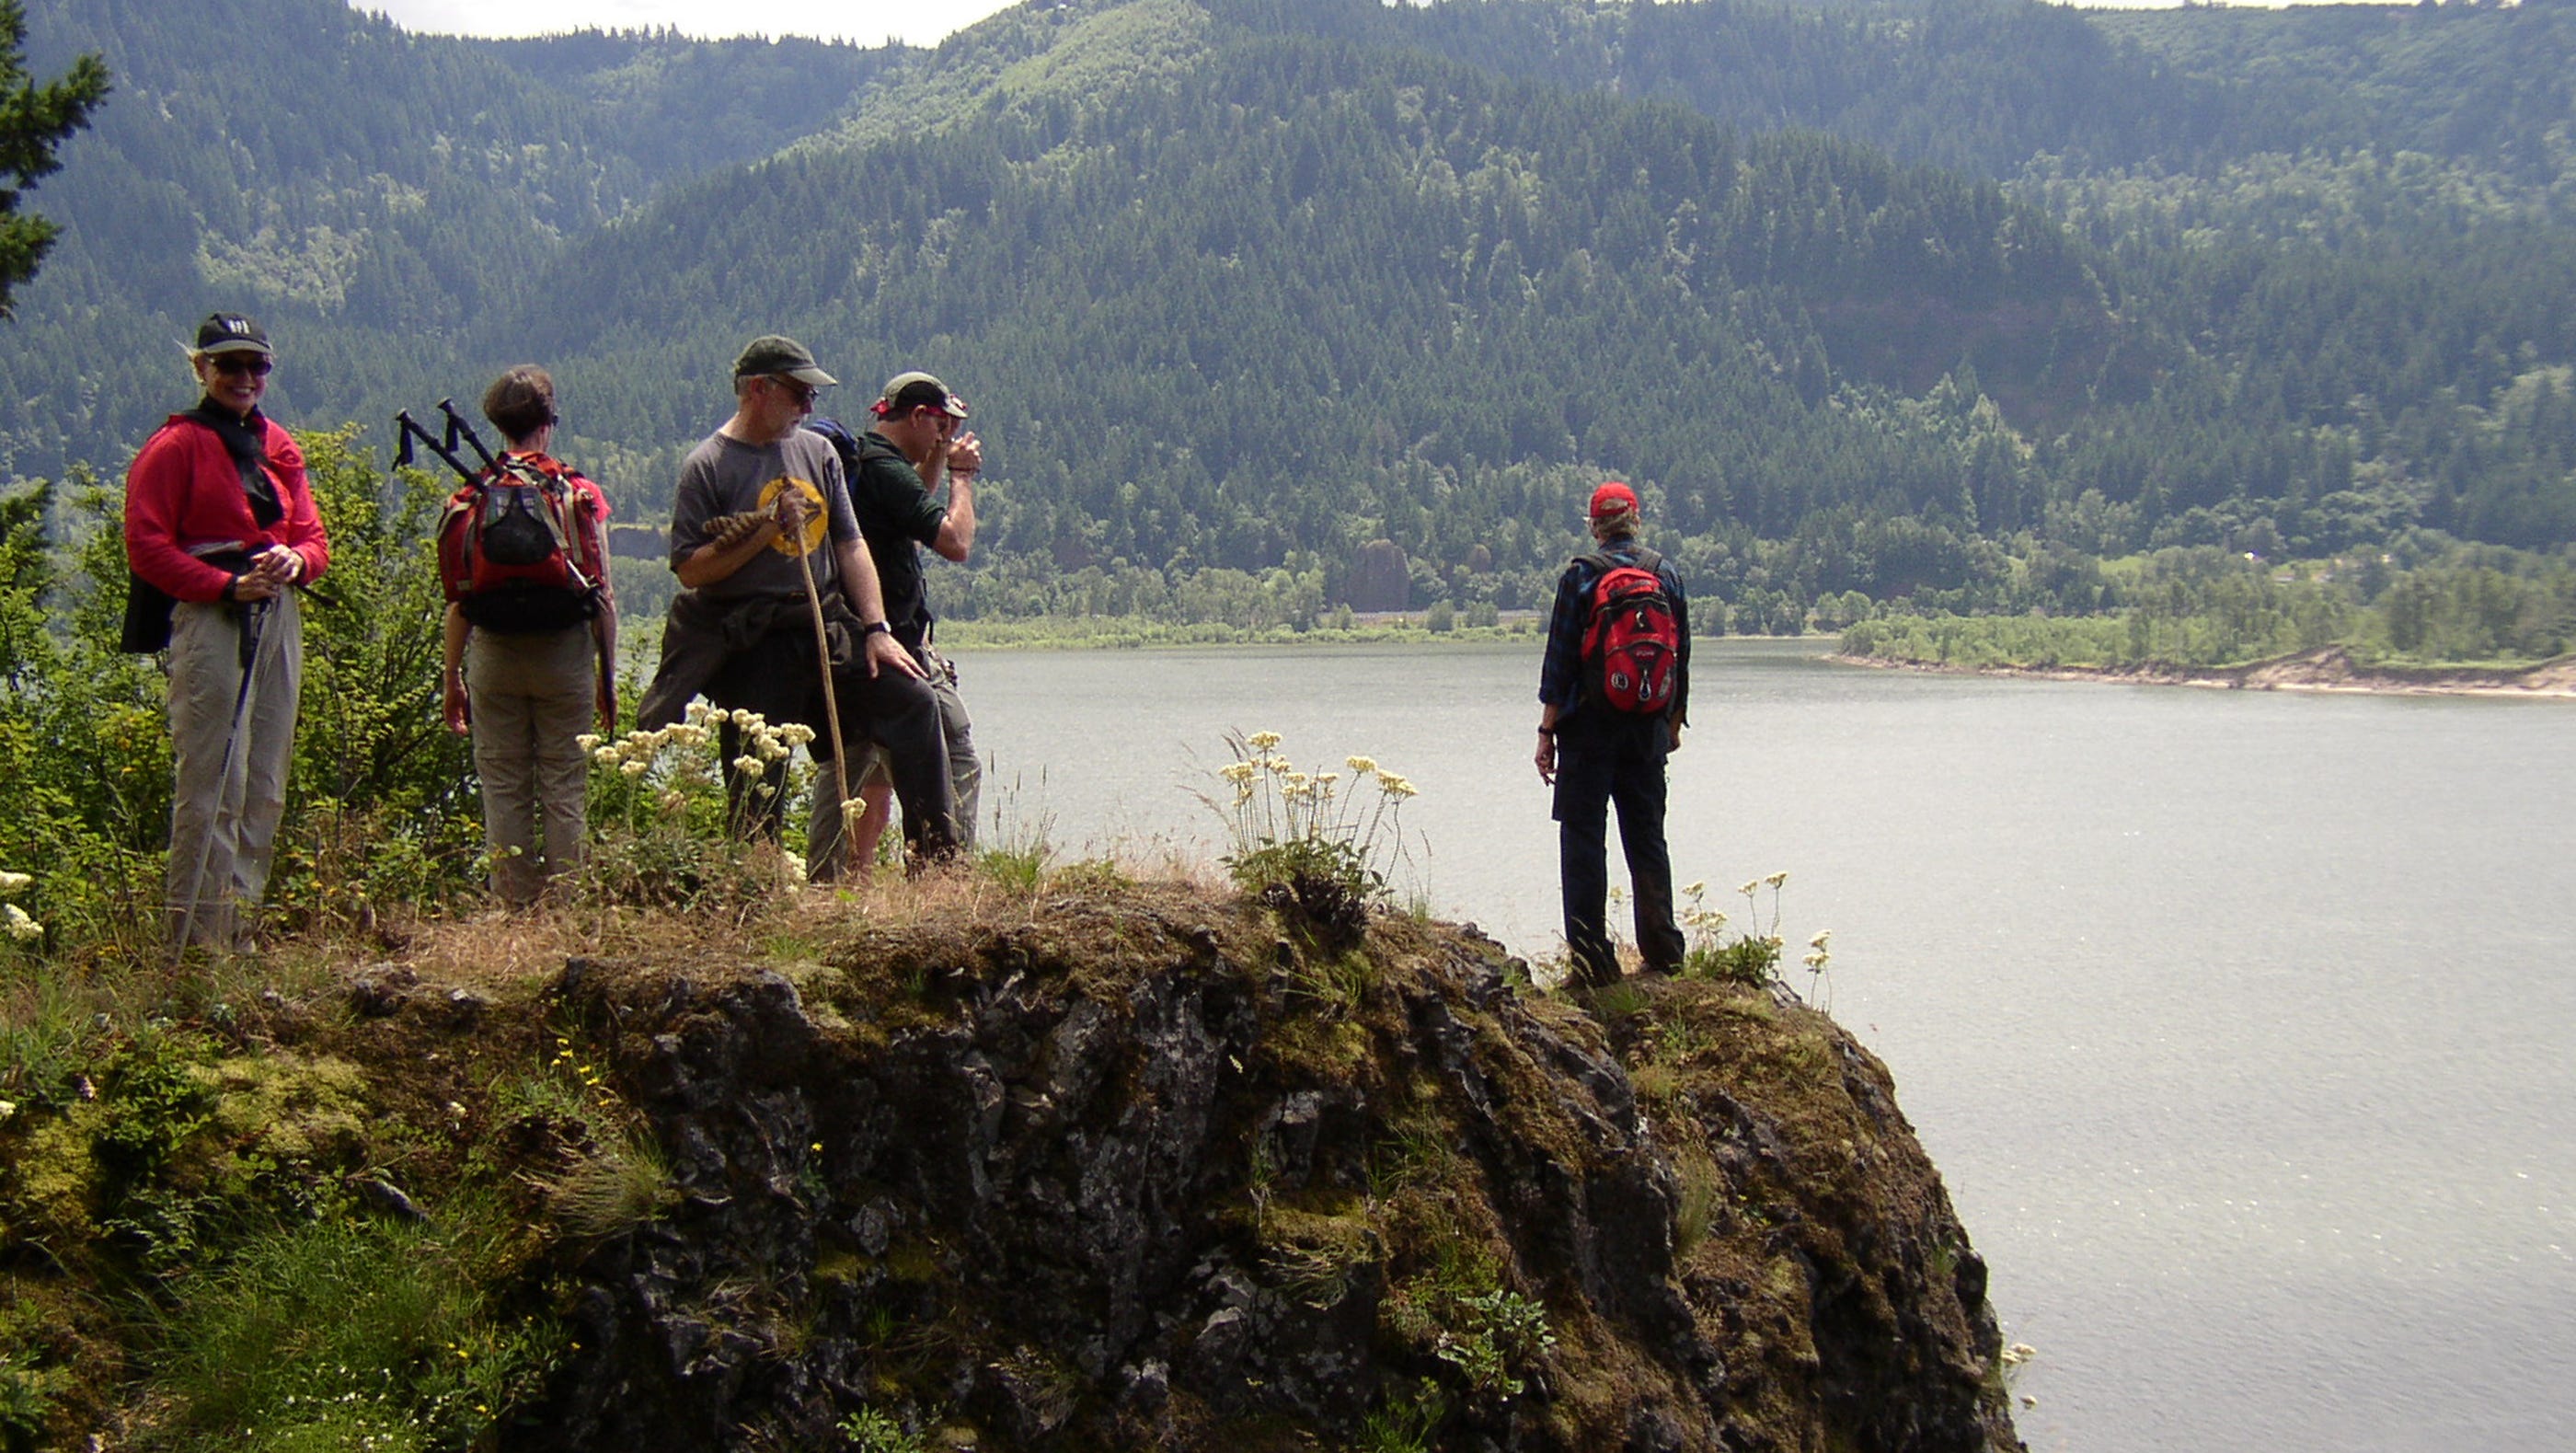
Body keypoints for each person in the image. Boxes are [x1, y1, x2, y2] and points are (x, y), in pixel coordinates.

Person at [635, 335, 957, 867]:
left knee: (914, 704)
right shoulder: (708, 466)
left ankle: (937, 864)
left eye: (812, 396)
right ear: (758, 390)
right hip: (754, 634)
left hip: (825, 622)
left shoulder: (818, 452)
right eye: (799, 393)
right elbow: (692, 570)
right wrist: (764, 531)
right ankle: (758, 883)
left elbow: (850, 544)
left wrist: (876, 630)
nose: (810, 407)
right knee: (760, 764)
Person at [124, 313, 330, 951]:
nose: (244, 378)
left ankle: (238, 935)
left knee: (266, 781)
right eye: (228, 365)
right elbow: (146, 545)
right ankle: (191, 944)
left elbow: (313, 537)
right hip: (213, 613)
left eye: (255, 366)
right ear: (201, 369)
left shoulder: (279, 445)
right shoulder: (175, 447)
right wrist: (221, 585)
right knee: (215, 782)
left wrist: (295, 561)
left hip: (276, 610)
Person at [439, 365, 618, 905]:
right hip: (563, 654)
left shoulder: (470, 495)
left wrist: (453, 678)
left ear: (498, 423)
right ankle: (565, 909)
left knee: (503, 786)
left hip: (493, 654)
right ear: (549, 421)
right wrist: (605, 678)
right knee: (564, 784)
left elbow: (459, 599)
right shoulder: (576, 493)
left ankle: (513, 910)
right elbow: (602, 594)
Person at [804, 370, 983, 874]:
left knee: (853, 766)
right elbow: (954, 542)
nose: (943, 435)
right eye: (939, 424)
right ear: (920, 415)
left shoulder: (869, 462)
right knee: (955, 754)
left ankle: (827, 879)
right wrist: (962, 479)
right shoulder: (883, 468)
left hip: (851, 637)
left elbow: (913, 509)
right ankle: (946, 871)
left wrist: (933, 459)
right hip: (890, 643)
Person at [1533, 480, 1690, 987]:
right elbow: (1681, 655)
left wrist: (1546, 732)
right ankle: (1663, 953)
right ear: (1636, 520)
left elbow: (1559, 662)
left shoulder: (1580, 576)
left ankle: (1591, 963)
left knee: (1583, 840)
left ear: (1595, 525)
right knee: (1647, 840)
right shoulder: (1666, 574)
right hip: (1645, 731)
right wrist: (1672, 722)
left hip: (1588, 731)